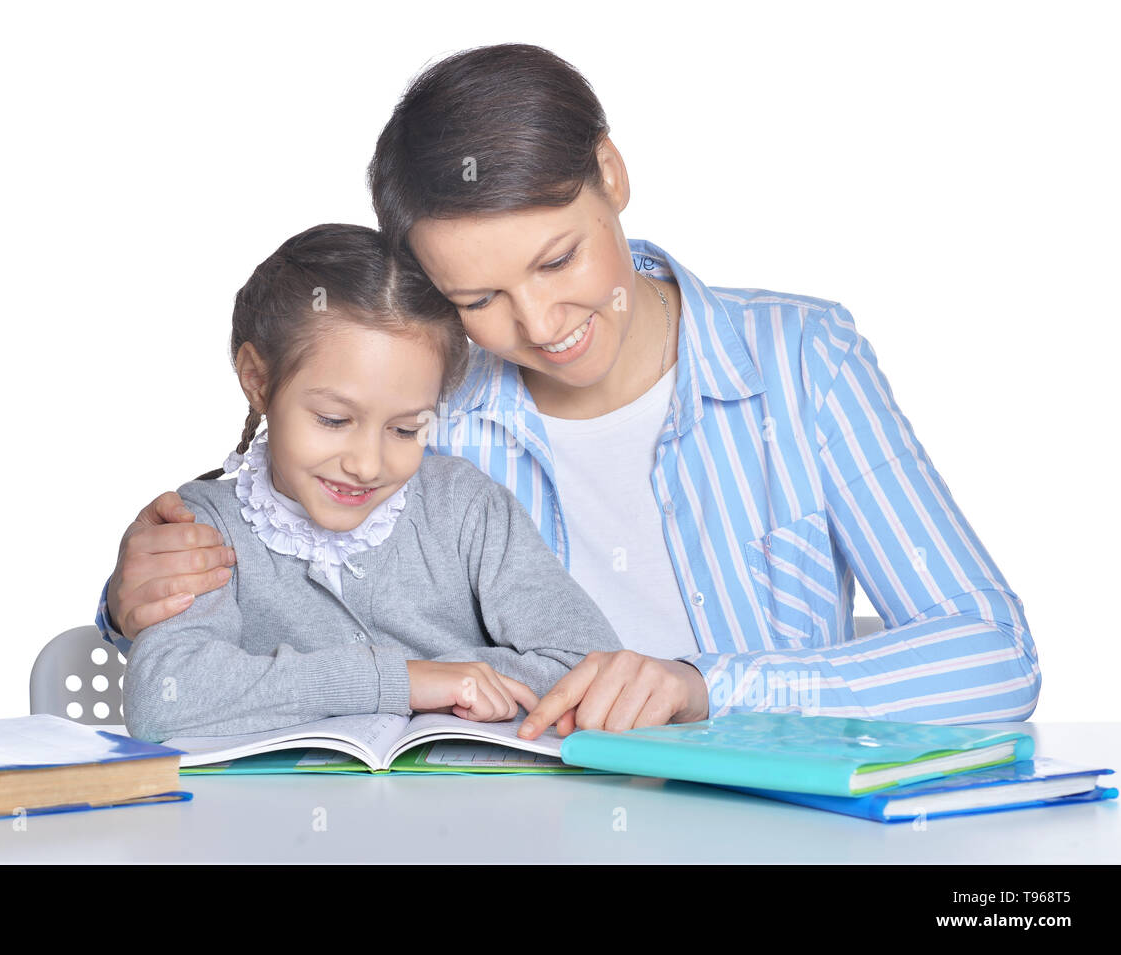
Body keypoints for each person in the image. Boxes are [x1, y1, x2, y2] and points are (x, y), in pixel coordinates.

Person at [100, 44, 1040, 738]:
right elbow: (282, 538)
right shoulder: (429, 416)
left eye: (559, 259)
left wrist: (704, 682)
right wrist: (135, 594)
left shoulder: (798, 360)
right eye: (479, 299)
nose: (542, 323)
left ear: (611, 173)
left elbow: (995, 658)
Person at [120, 223, 624, 743]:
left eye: (406, 429)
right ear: (258, 379)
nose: (366, 465)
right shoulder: (206, 528)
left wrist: (448, 682)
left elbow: (590, 668)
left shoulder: (466, 508)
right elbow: (163, 697)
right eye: (334, 421)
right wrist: (401, 682)